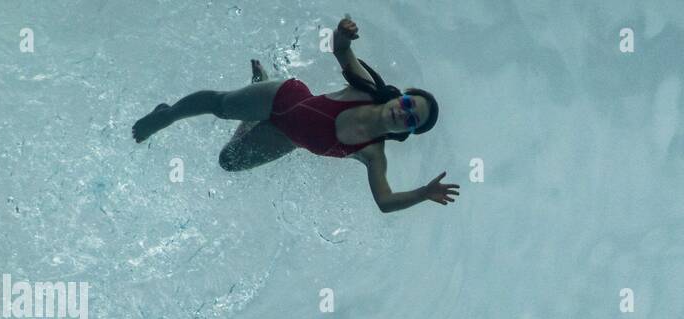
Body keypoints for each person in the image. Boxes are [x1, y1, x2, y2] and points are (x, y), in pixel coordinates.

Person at [132, 15, 458, 213]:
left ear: (408, 132)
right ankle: (168, 115)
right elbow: (340, 49)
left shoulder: (373, 154)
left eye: (412, 120)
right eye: (408, 105)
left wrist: (423, 194)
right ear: (399, 97)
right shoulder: (366, 89)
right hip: (283, 99)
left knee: (228, 162)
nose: (405, 114)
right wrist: (343, 33)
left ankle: (257, 83)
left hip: (286, 137)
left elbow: (385, 202)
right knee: (220, 106)